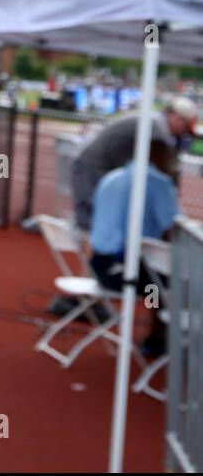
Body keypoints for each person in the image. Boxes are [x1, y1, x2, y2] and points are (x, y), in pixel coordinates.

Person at [88, 138, 180, 357]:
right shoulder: (158, 183)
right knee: (167, 282)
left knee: (157, 279)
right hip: (127, 270)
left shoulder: (111, 178)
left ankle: (157, 328)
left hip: (99, 266)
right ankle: (157, 337)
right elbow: (173, 226)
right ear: (160, 157)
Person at [70, 97, 197, 230]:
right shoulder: (156, 128)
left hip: (98, 170)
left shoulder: (154, 121)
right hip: (92, 170)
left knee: (100, 218)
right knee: (92, 219)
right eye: (184, 127)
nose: (183, 133)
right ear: (177, 117)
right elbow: (164, 168)